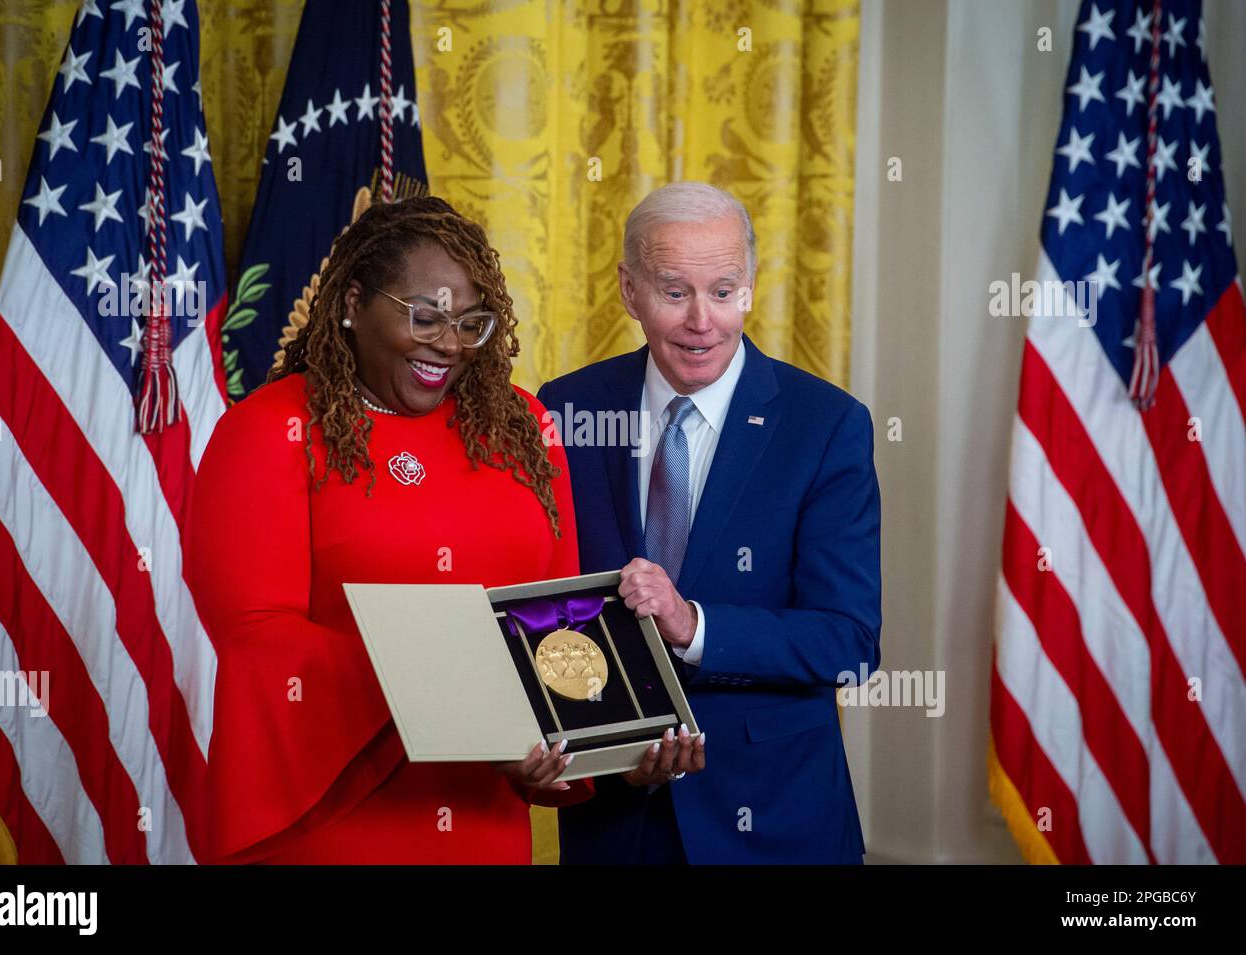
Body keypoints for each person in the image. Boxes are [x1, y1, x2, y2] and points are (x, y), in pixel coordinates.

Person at [186, 197, 676, 864]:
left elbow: (554, 618)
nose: (449, 343)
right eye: (425, 316)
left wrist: (601, 739)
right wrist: (472, 711)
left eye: (471, 322)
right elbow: (257, 637)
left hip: (483, 816)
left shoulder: (523, 428)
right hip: (331, 817)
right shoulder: (269, 431)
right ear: (353, 304)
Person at [537, 182, 882, 864]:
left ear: (750, 286)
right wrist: (608, 748)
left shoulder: (826, 425)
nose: (703, 320)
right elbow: (550, 605)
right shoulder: (565, 406)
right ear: (629, 290)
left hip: (775, 823)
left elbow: (848, 640)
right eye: (674, 292)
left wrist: (693, 625)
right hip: (615, 823)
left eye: (723, 291)